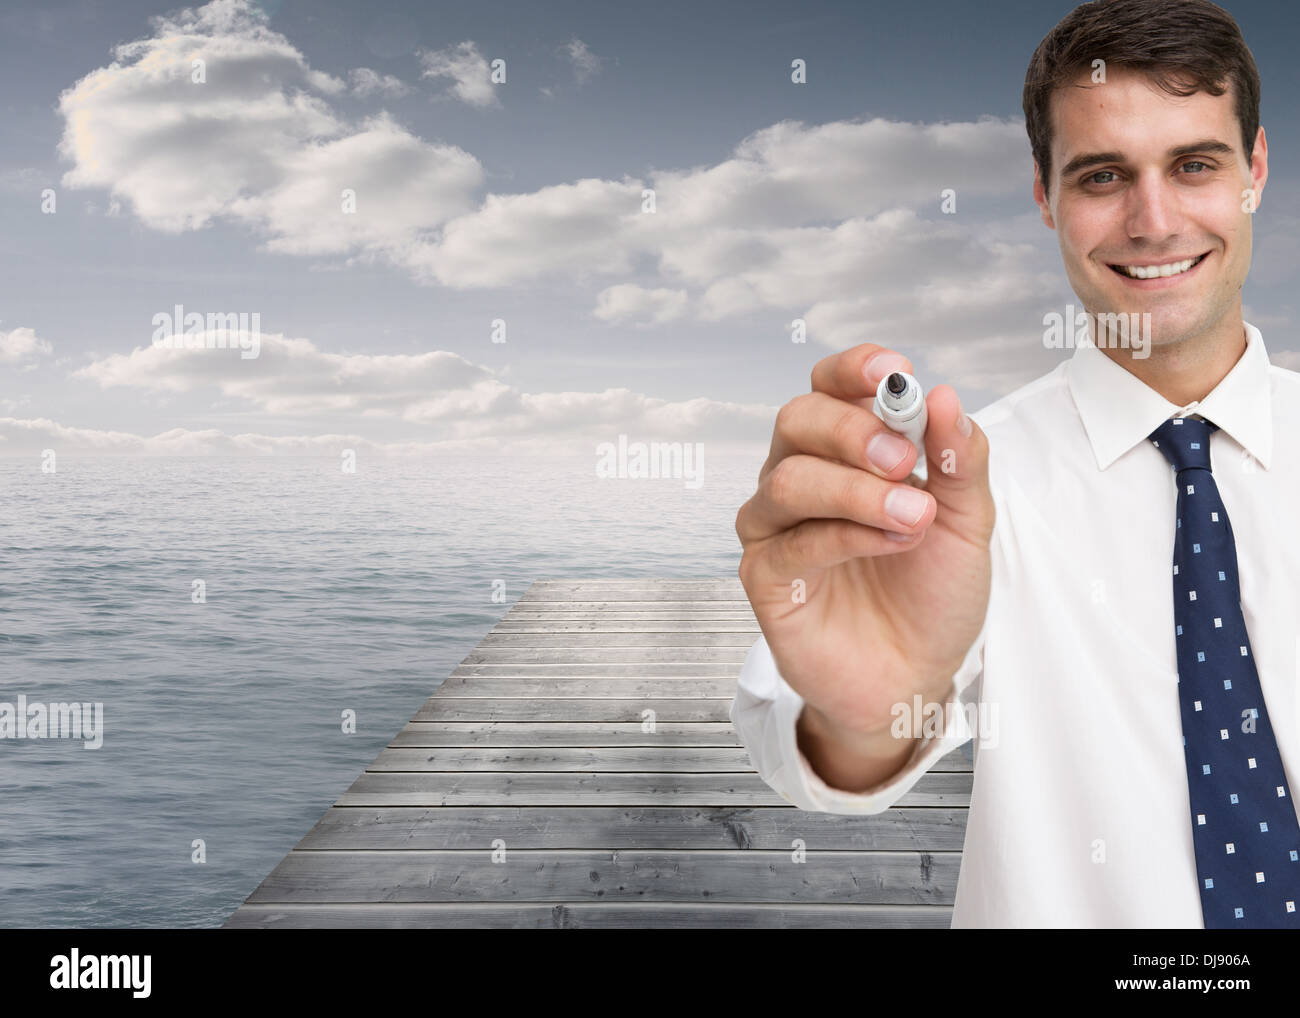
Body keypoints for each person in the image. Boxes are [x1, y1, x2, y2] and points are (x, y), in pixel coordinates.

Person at [731, 0, 1300, 928]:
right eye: (1103, 175)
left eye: (1194, 165)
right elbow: (802, 733)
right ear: (1044, 196)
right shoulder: (959, 492)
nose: (1152, 221)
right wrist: (865, 722)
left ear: (1257, 171)